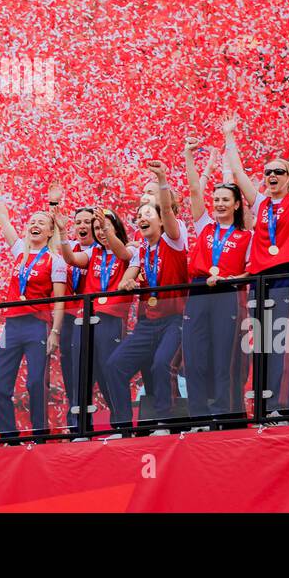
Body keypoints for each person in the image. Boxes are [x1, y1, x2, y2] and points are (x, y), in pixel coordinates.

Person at [224, 110, 289, 418]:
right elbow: (237, 172)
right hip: (258, 279)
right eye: (267, 172)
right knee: (259, 341)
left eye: (278, 172)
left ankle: (281, 407)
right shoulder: (261, 202)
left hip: (285, 275)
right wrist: (229, 135)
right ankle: (262, 406)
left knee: (281, 340)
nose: (271, 176)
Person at [109, 161, 189, 434]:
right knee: (115, 366)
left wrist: (163, 178)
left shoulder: (174, 239)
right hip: (147, 324)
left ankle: (166, 422)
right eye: (139, 215)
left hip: (175, 319)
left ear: (161, 219)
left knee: (161, 364)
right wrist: (128, 280)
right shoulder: (143, 249)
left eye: (148, 214)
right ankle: (122, 426)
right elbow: (128, 272)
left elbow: (167, 209)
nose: (141, 218)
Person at [180, 137, 253, 421]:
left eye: (225, 200)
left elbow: (252, 271)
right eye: (217, 200)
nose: (219, 204)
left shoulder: (245, 237)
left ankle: (224, 412)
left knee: (225, 354)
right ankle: (198, 414)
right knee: (195, 355)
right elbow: (194, 191)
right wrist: (189, 158)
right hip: (198, 292)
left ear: (236, 205)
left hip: (228, 292)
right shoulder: (204, 227)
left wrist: (233, 278)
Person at [0, 179, 68, 440]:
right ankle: (9, 438)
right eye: (31, 221)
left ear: (49, 232)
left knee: (35, 383)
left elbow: (59, 300)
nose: (34, 224)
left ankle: (39, 434)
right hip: (12, 325)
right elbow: (3, 217)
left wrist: (55, 331)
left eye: (41, 223)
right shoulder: (19, 252)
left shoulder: (55, 260)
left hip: (37, 325)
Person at [55, 206, 133, 431]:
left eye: (104, 227)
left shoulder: (128, 250)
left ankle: (122, 426)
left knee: (109, 369)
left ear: (115, 228)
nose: (100, 232)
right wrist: (62, 233)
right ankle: (80, 428)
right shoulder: (93, 253)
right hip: (85, 319)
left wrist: (108, 231)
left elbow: (121, 252)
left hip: (110, 320)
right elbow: (71, 258)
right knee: (81, 372)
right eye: (97, 228)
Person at [49, 194, 94, 428]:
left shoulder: (101, 249)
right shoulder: (66, 247)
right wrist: (53, 205)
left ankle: (85, 421)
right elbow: (50, 234)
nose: (82, 226)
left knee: (86, 369)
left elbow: (72, 259)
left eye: (87, 222)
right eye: (78, 222)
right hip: (67, 317)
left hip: (90, 318)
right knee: (69, 369)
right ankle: (74, 419)